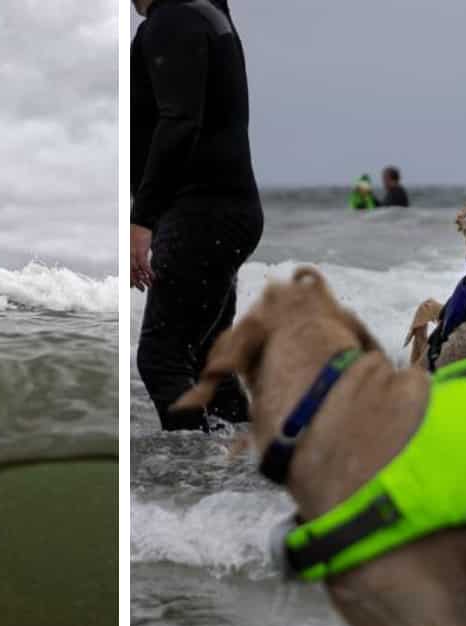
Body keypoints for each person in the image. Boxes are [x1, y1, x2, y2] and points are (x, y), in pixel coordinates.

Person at [130, 0, 264, 432]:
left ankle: (184, 483)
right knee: (209, 361)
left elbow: (180, 120)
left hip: (199, 214)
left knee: (162, 359)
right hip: (226, 211)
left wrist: (142, 218)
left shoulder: (174, 19)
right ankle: (241, 473)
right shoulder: (209, 16)